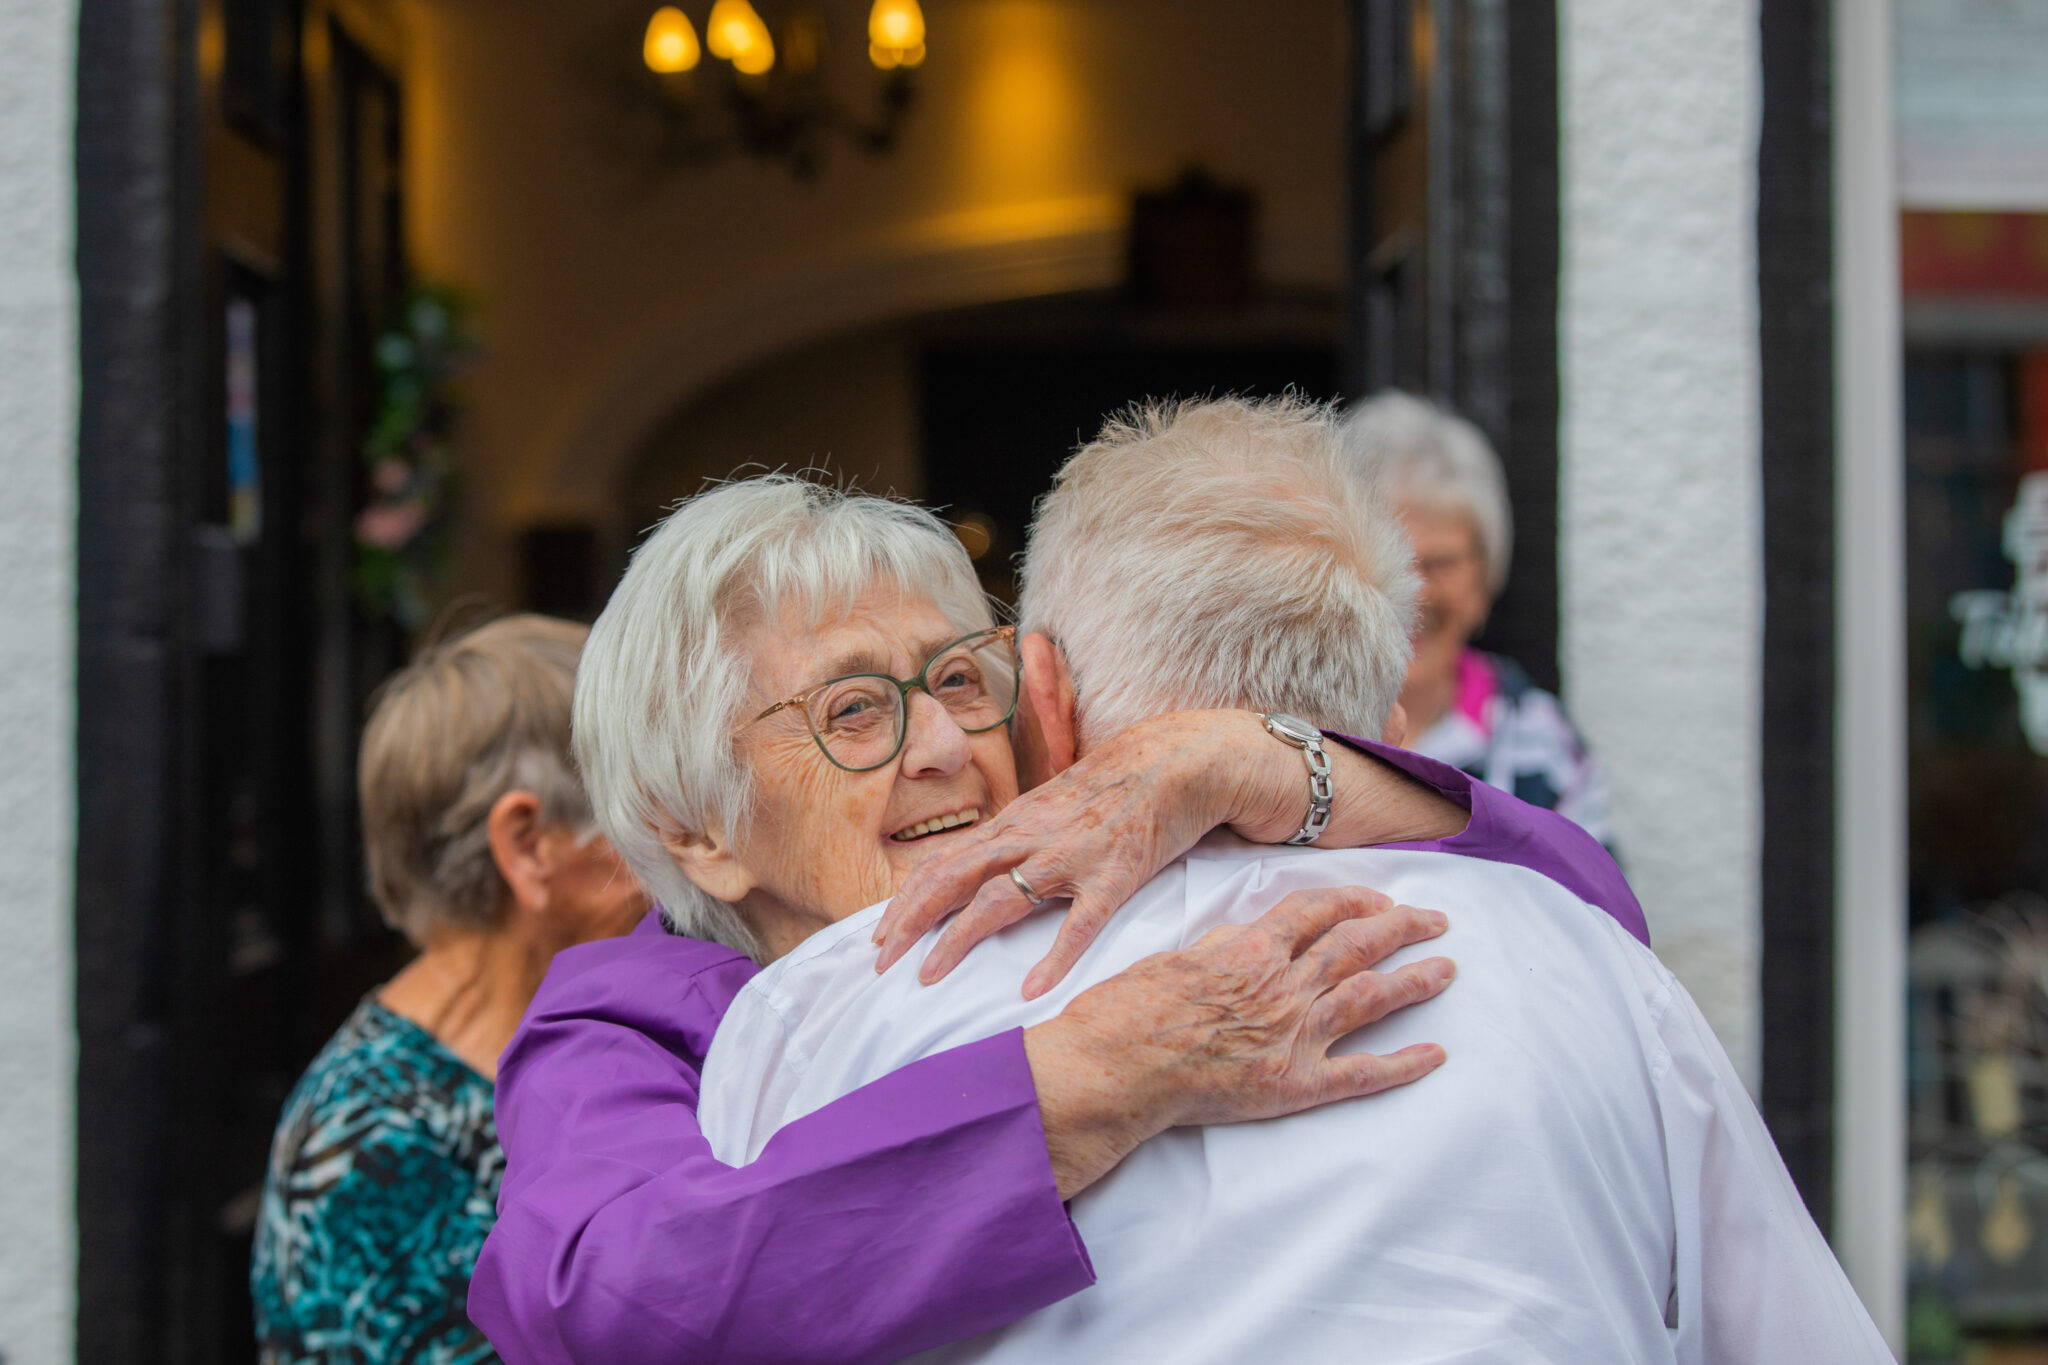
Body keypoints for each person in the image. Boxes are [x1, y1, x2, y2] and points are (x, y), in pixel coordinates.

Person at [696, 397, 1888, 1363]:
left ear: (1042, 695)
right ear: (1382, 719)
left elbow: (700, 1311)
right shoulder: (1599, 976)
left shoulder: (842, 1004)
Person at [470, 474, 1647, 1365]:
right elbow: (611, 1304)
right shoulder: (620, 1021)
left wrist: (1257, 764)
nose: (942, 750)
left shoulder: (1089, 874)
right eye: (851, 712)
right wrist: (1100, 1077)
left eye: (957, 682)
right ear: (695, 830)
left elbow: (1576, 899)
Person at [251, 615, 651, 1364]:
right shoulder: (374, 1138)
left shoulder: (575, 1041)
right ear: (527, 844)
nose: (685, 852)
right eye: (643, 815)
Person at [1341, 391, 1616, 848]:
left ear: (1484, 574)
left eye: (1441, 563)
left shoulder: (1540, 743)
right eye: (1390, 561)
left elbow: (1597, 912)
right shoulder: (1286, 731)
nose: (1414, 593)